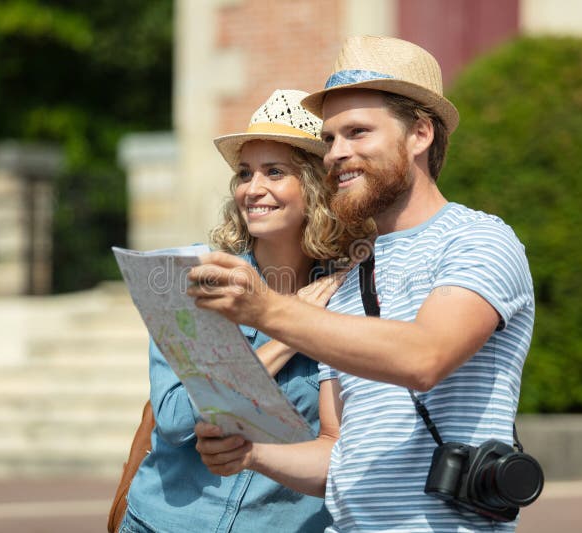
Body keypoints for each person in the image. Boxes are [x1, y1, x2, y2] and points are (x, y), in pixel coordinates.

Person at [189, 36, 535, 532]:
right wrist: (251, 454)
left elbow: (425, 357)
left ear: (420, 133)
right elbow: (337, 451)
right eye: (330, 138)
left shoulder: (478, 239)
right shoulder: (349, 279)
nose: (336, 154)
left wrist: (268, 309)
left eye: (357, 133)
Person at [120, 89, 370, 533]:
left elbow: (345, 445)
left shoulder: (349, 298)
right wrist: (290, 329)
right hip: (162, 524)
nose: (253, 189)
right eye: (244, 173)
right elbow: (175, 418)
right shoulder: (194, 276)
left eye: (274, 172)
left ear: (316, 186)